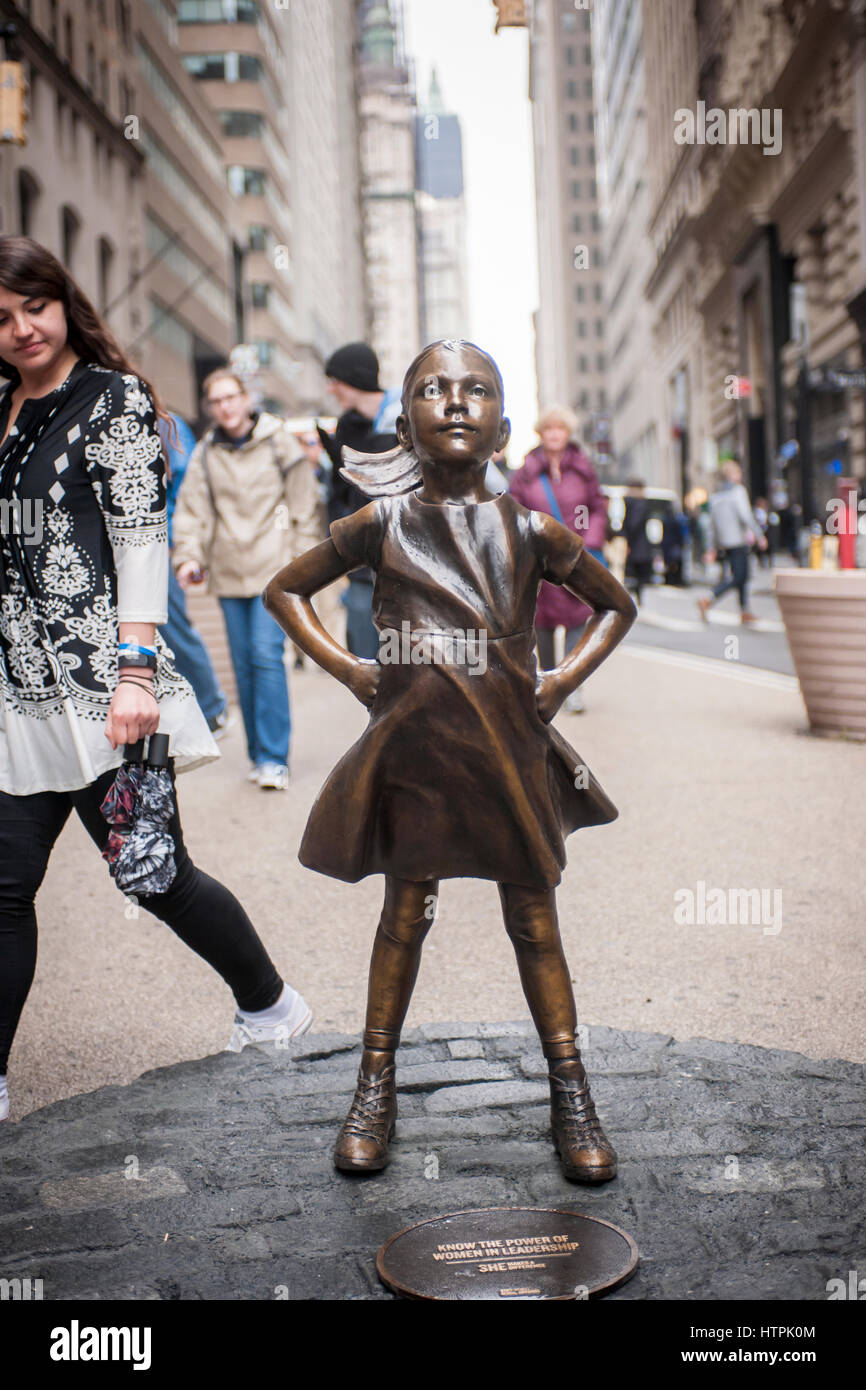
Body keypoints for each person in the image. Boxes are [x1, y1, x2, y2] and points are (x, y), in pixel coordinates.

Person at [264, 339, 636, 1182]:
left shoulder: (533, 530)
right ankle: (374, 1085)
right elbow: (284, 590)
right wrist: (355, 670)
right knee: (404, 915)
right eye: (435, 390)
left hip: (507, 746)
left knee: (535, 920)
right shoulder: (381, 522)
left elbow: (616, 605)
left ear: (503, 429)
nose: (457, 402)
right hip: (414, 754)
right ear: (404, 425)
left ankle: (570, 1088)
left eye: (476, 391)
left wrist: (561, 680)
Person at [0, 237, 311, 1121]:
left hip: (105, 687)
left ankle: (273, 1007)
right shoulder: (1, 410)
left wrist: (136, 669)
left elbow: (141, 537)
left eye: (35, 306)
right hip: (18, 698)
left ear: (64, 302)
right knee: (4, 887)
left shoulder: (115, 400)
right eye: (2, 318)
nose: (22, 329)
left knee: (152, 873)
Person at [172, 370, 320, 790]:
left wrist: (301, 565)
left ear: (246, 398)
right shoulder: (204, 453)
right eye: (215, 401)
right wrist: (188, 557)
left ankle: (274, 756)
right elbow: (191, 512)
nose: (225, 407)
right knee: (242, 664)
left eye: (231, 397)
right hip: (228, 571)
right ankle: (259, 755)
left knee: (264, 656)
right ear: (210, 407)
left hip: (273, 569)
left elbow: (304, 507)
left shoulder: (278, 441)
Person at [510, 405, 608, 713]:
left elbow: (597, 508)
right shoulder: (527, 470)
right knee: (544, 625)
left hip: (577, 559)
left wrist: (589, 541)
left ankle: (572, 686)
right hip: (540, 562)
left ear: (567, 433)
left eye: (560, 428)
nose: (554, 434)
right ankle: (550, 683)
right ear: (541, 433)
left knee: (579, 622)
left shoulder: (583, 467)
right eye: (549, 428)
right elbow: (514, 510)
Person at [321, 342, 401, 660]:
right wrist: (336, 459)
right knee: (365, 660)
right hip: (361, 565)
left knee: (404, 662)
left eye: (335, 381)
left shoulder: (404, 418)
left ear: (354, 380)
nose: (331, 389)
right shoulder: (346, 425)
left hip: (403, 564)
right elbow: (343, 495)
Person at [158, 412, 230, 733]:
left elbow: (186, 490)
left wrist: (175, 538)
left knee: (173, 626)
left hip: (159, 543)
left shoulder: (166, 422)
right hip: (105, 547)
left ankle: (211, 705)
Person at [697, 461, 768, 625]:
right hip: (738, 540)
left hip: (724, 543)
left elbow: (711, 525)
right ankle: (709, 597)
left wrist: (711, 547)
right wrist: (759, 535)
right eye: (737, 472)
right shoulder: (738, 492)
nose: (740, 475)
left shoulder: (716, 497)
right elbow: (745, 516)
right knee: (740, 576)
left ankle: (744, 611)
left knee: (741, 577)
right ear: (732, 475)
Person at [622, 478, 655, 606]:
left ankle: (633, 597)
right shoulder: (640, 503)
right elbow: (633, 524)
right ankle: (634, 597)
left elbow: (629, 524)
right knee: (638, 575)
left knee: (634, 574)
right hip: (638, 545)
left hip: (634, 544)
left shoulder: (630, 502)